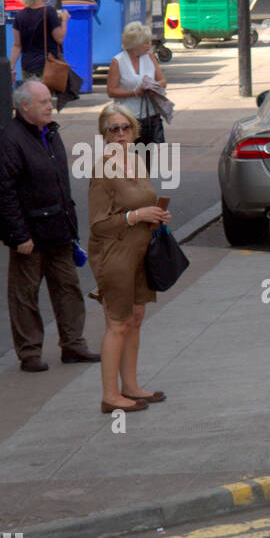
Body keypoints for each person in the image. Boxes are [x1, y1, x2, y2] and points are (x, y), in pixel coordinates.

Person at [0, 80, 101, 373]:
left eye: (49, 101)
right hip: (30, 235)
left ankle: (73, 344)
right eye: (43, 102)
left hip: (59, 228)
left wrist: (71, 223)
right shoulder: (10, 140)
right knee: (25, 295)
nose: (50, 106)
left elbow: (59, 181)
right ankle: (30, 353)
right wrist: (18, 234)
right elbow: (4, 191)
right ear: (24, 106)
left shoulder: (50, 133)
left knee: (68, 289)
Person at [88, 103, 171, 413]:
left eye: (126, 128)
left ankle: (131, 386)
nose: (121, 134)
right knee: (118, 323)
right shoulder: (103, 168)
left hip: (140, 252)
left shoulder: (136, 160)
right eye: (114, 129)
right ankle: (110, 396)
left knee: (135, 320)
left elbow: (142, 203)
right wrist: (136, 215)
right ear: (104, 134)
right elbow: (98, 224)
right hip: (115, 256)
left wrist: (157, 215)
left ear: (135, 131)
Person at [106, 21, 168, 157]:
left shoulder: (150, 57)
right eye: (146, 43)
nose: (149, 46)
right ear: (135, 44)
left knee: (145, 161)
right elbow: (111, 90)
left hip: (149, 117)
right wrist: (134, 92)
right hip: (127, 119)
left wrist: (154, 86)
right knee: (128, 161)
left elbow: (162, 80)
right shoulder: (118, 61)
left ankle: (144, 179)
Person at [9, 0, 68, 84]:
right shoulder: (49, 12)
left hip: (27, 65)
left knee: (32, 96)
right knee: (43, 96)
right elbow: (59, 38)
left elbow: (17, 45)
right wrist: (64, 20)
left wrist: (11, 67)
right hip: (45, 64)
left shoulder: (20, 16)